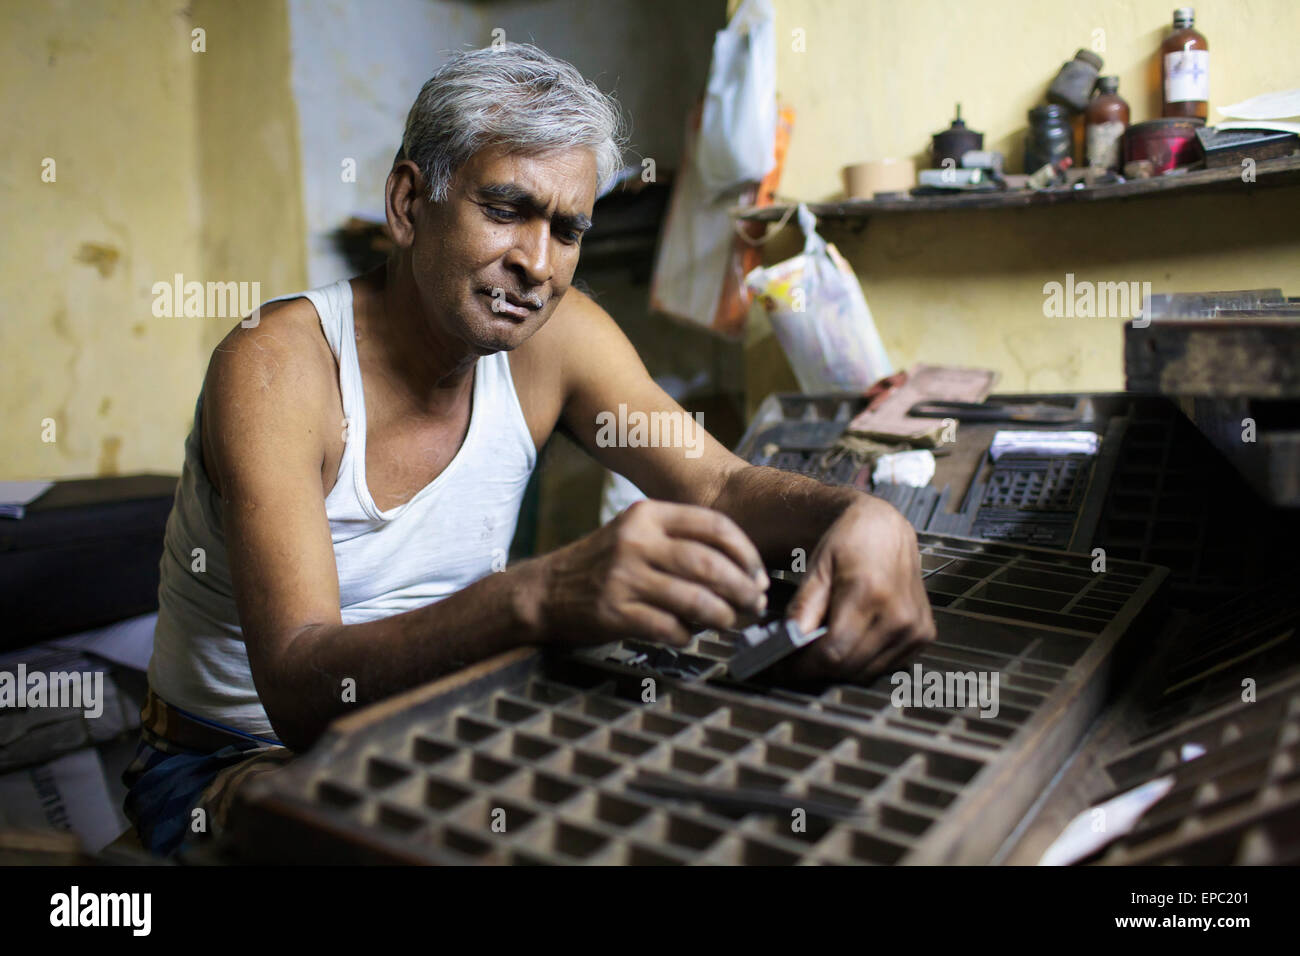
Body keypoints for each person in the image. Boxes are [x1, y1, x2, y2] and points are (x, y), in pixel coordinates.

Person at [124, 42, 935, 855]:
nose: (537, 265)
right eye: (506, 209)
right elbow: (302, 685)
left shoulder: (559, 339)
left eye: (568, 228)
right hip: (234, 756)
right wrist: (538, 596)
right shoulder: (279, 365)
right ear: (409, 204)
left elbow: (719, 488)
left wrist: (859, 516)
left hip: (442, 719)